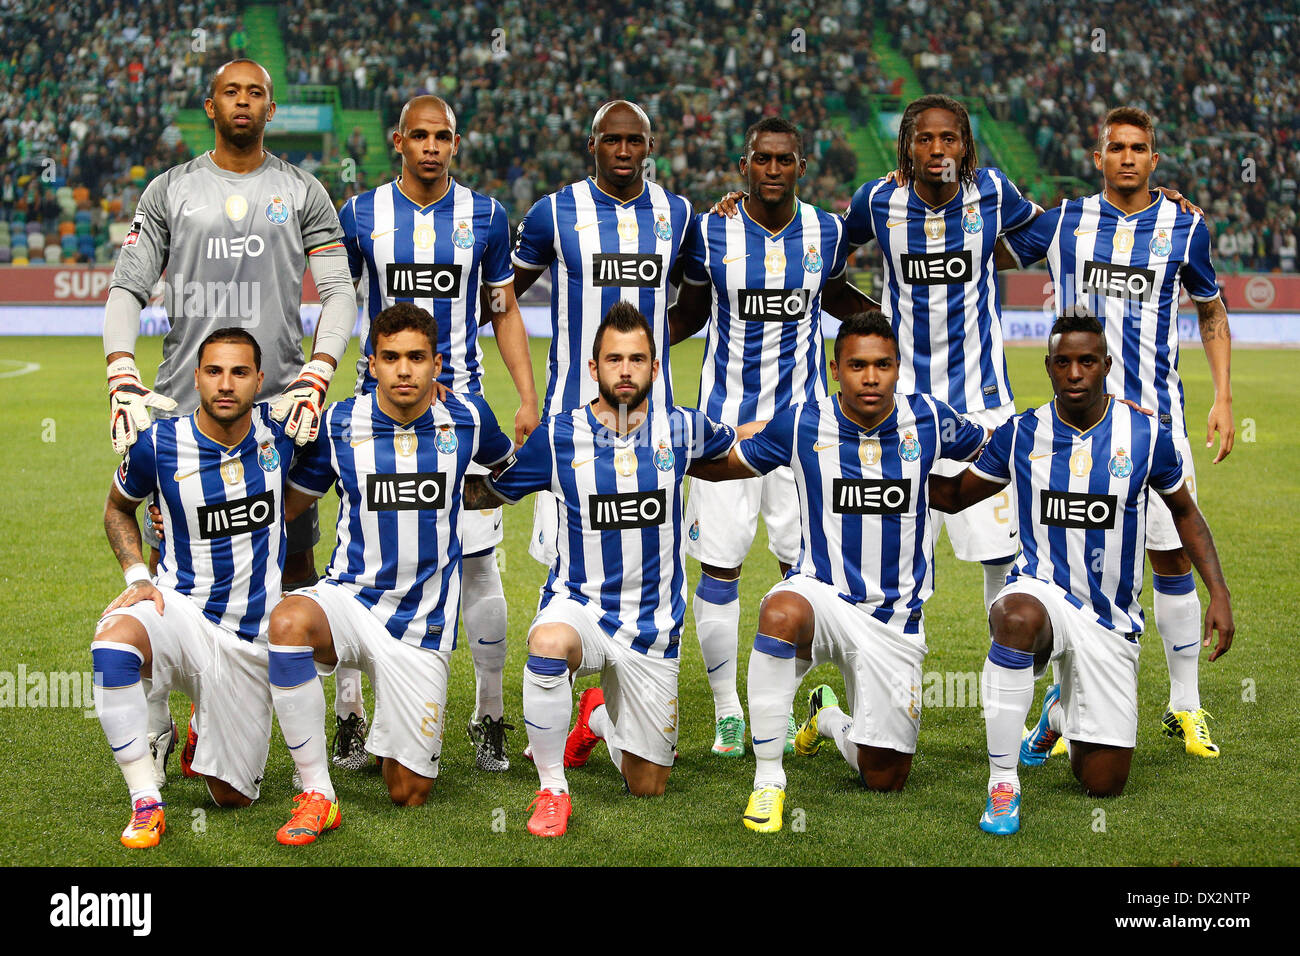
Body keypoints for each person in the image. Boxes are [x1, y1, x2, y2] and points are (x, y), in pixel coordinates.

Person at [102, 58, 359, 785]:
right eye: (231, 92)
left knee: (295, 555)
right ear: (208, 104)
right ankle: (160, 721)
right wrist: (121, 368)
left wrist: (318, 370)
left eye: (256, 92)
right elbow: (127, 286)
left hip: (280, 410)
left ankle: (327, 712)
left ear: (271, 108)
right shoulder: (170, 190)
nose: (243, 102)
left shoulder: (301, 189)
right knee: (172, 564)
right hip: (186, 406)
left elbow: (338, 292)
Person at [928, 313, 1233, 834]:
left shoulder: (1145, 434)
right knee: (1014, 616)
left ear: (1106, 366)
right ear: (1048, 367)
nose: (1075, 373)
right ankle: (1003, 784)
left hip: (1110, 621)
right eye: (1063, 362)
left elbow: (1184, 513)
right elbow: (956, 495)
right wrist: (890, 468)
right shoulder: (1023, 433)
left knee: (1103, 782)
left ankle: (1056, 716)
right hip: (1041, 594)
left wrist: (1219, 593)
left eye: (1086, 361)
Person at [687, 312, 989, 832]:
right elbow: (729, 463)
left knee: (885, 777)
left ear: (898, 369)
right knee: (780, 607)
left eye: (882, 365)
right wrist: (655, 445)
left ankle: (826, 717)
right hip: (823, 598)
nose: (870, 377)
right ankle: (768, 782)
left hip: (894, 624)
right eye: (857, 366)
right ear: (835, 370)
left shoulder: (931, 420)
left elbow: (1007, 447)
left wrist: (1103, 415)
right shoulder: (803, 422)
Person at [1000, 106, 1234, 758]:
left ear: (1154, 158)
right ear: (1098, 156)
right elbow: (988, 227)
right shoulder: (1064, 222)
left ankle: (1185, 705)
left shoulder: (1183, 226)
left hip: (1157, 426)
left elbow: (1211, 312)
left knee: (1171, 559)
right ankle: (1063, 707)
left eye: (1139, 148)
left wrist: (1223, 396)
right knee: (1080, 579)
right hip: (1075, 437)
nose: (1127, 157)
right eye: (1116, 148)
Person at [462, 302, 745, 837]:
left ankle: (593, 718)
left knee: (648, 784)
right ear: (594, 368)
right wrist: (430, 477)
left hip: (654, 629)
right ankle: (551, 790)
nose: (625, 370)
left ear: (655, 368)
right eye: (613, 359)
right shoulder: (559, 434)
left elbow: (739, 446)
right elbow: (492, 491)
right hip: (581, 607)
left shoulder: (681, 429)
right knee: (547, 642)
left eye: (637, 359)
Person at [335, 94, 539, 773]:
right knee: (362, 568)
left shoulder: (485, 216)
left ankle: (487, 716)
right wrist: (317, 381)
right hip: (376, 421)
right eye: (418, 135)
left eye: (442, 136)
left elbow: (503, 310)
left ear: (457, 143)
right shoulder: (361, 214)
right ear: (398, 140)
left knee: (479, 562)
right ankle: (351, 716)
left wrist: (526, 398)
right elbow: (341, 306)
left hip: (462, 422)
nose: (430, 146)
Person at [265, 303, 514, 844]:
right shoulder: (337, 423)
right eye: (392, 358)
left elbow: (512, 474)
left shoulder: (469, 418)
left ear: (437, 364)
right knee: (288, 622)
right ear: (372, 363)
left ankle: (391, 736)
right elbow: (287, 505)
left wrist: (461, 495)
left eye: (417, 358)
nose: (405, 370)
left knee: (408, 792)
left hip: (421, 628)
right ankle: (316, 792)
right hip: (349, 602)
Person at [668, 117, 871, 758]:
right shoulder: (710, 230)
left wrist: (893, 328)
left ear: (801, 164)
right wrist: (640, 349)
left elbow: (835, 293)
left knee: (805, 573)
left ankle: (787, 698)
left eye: (786, 159)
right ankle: (730, 707)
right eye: (764, 159)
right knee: (720, 567)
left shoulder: (827, 231)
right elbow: (693, 310)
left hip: (806, 433)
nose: (775, 169)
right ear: (745, 164)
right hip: (725, 430)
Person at [92, 328, 297, 848]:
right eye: (213, 372)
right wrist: (139, 576)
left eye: (238, 372)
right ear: (195, 377)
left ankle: (203, 725)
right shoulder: (158, 444)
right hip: (180, 610)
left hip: (250, 643)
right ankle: (146, 800)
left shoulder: (286, 432)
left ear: (260, 380)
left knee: (231, 797)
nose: (225, 384)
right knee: (113, 642)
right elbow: (119, 508)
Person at [510, 100, 695, 567]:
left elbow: (697, 304)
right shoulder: (553, 211)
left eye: (635, 140)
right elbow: (502, 301)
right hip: (569, 414)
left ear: (650, 147)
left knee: (648, 549)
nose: (623, 149)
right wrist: (529, 400)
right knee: (563, 555)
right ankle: (556, 636)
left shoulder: (678, 214)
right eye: (612, 139)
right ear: (593, 144)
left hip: (653, 418)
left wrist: (645, 348)